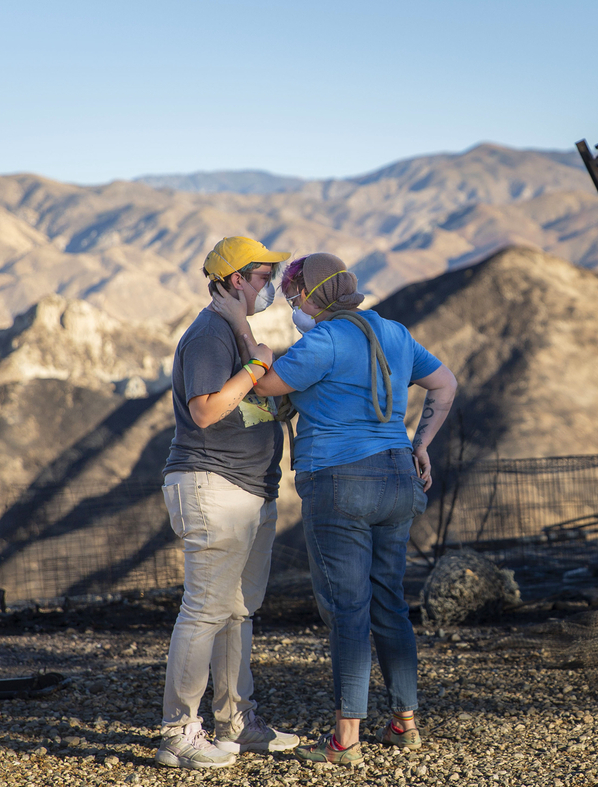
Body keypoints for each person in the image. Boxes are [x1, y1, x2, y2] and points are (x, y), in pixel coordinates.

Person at [239, 252, 457, 767]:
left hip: (339, 481)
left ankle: (345, 740)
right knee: (390, 603)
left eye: (294, 296)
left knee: (347, 609)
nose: (293, 304)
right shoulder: (396, 333)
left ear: (313, 295)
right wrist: (421, 444)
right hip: (399, 477)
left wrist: (256, 347)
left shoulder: (324, 340)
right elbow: (444, 384)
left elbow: (266, 387)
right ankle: (405, 723)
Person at [155, 236, 301, 769]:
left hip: (250, 489)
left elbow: (254, 408)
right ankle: (178, 732)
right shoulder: (209, 336)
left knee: (238, 612)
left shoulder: (235, 332)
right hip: (213, 485)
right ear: (235, 279)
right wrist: (258, 366)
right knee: (204, 611)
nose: (271, 288)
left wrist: (260, 364)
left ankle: (236, 723)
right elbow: (206, 411)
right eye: (263, 278)